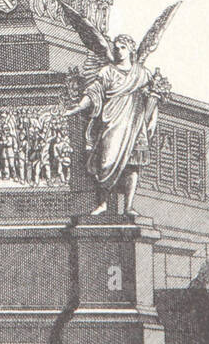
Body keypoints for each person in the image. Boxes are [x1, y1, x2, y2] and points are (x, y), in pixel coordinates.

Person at [66, 34, 160, 218]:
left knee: (133, 165)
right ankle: (102, 204)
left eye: (123, 47)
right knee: (105, 162)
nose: (118, 50)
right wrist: (77, 107)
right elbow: (94, 92)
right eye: (116, 47)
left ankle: (129, 206)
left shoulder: (141, 73)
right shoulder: (107, 71)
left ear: (131, 49)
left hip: (134, 123)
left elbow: (152, 98)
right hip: (112, 121)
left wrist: (153, 118)